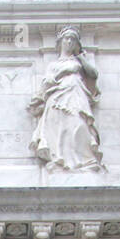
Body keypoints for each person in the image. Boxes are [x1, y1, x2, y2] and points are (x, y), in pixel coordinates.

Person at [28, 27, 103, 171]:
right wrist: (66, 71)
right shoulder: (54, 65)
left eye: (73, 39)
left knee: (78, 124)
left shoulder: (80, 62)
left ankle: (84, 160)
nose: (69, 42)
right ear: (60, 42)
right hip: (57, 99)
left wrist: (80, 58)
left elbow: (93, 74)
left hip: (76, 96)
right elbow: (47, 82)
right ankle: (59, 160)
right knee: (60, 129)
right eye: (66, 39)